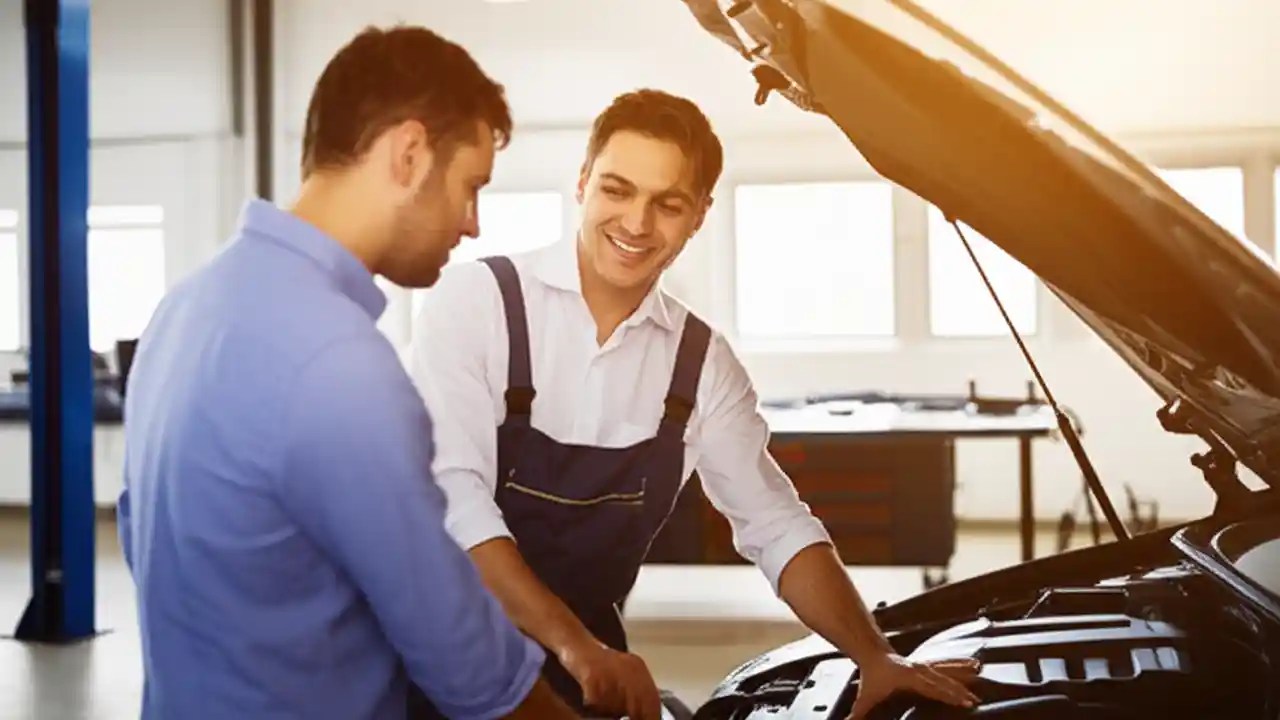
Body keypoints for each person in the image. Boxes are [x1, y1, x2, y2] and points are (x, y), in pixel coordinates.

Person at [408, 88, 982, 720]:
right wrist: (579, 649)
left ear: (700, 214)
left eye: (668, 204)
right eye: (617, 190)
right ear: (582, 183)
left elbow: (776, 524)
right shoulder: (476, 302)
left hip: (587, 676)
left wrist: (874, 657)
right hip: (438, 660)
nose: (636, 223)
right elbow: (454, 502)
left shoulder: (703, 365)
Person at [117, 25, 577, 720]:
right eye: (470, 187)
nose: (472, 224)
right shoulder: (339, 364)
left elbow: (144, 543)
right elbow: (465, 662)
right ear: (410, 154)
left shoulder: (183, 309)